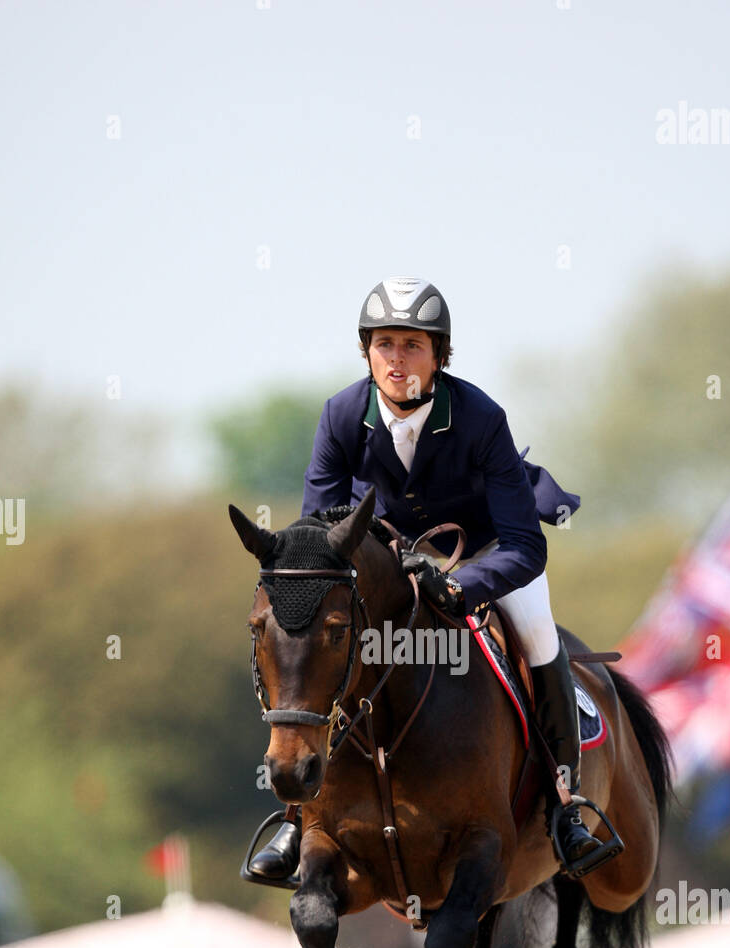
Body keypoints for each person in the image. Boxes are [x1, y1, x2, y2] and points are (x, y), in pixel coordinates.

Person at [250, 276, 602, 881]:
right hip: (385, 568)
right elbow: (318, 531)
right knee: (306, 637)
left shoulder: (480, 417)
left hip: (483, 553)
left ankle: (566, 806)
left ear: (440, 356)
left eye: (413, 345)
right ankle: (296, 813)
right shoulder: (340, 415)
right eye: (385, 343)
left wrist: (463, 586)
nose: (397, 359)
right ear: (367, 352)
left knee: (539, 632)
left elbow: (524, 545)